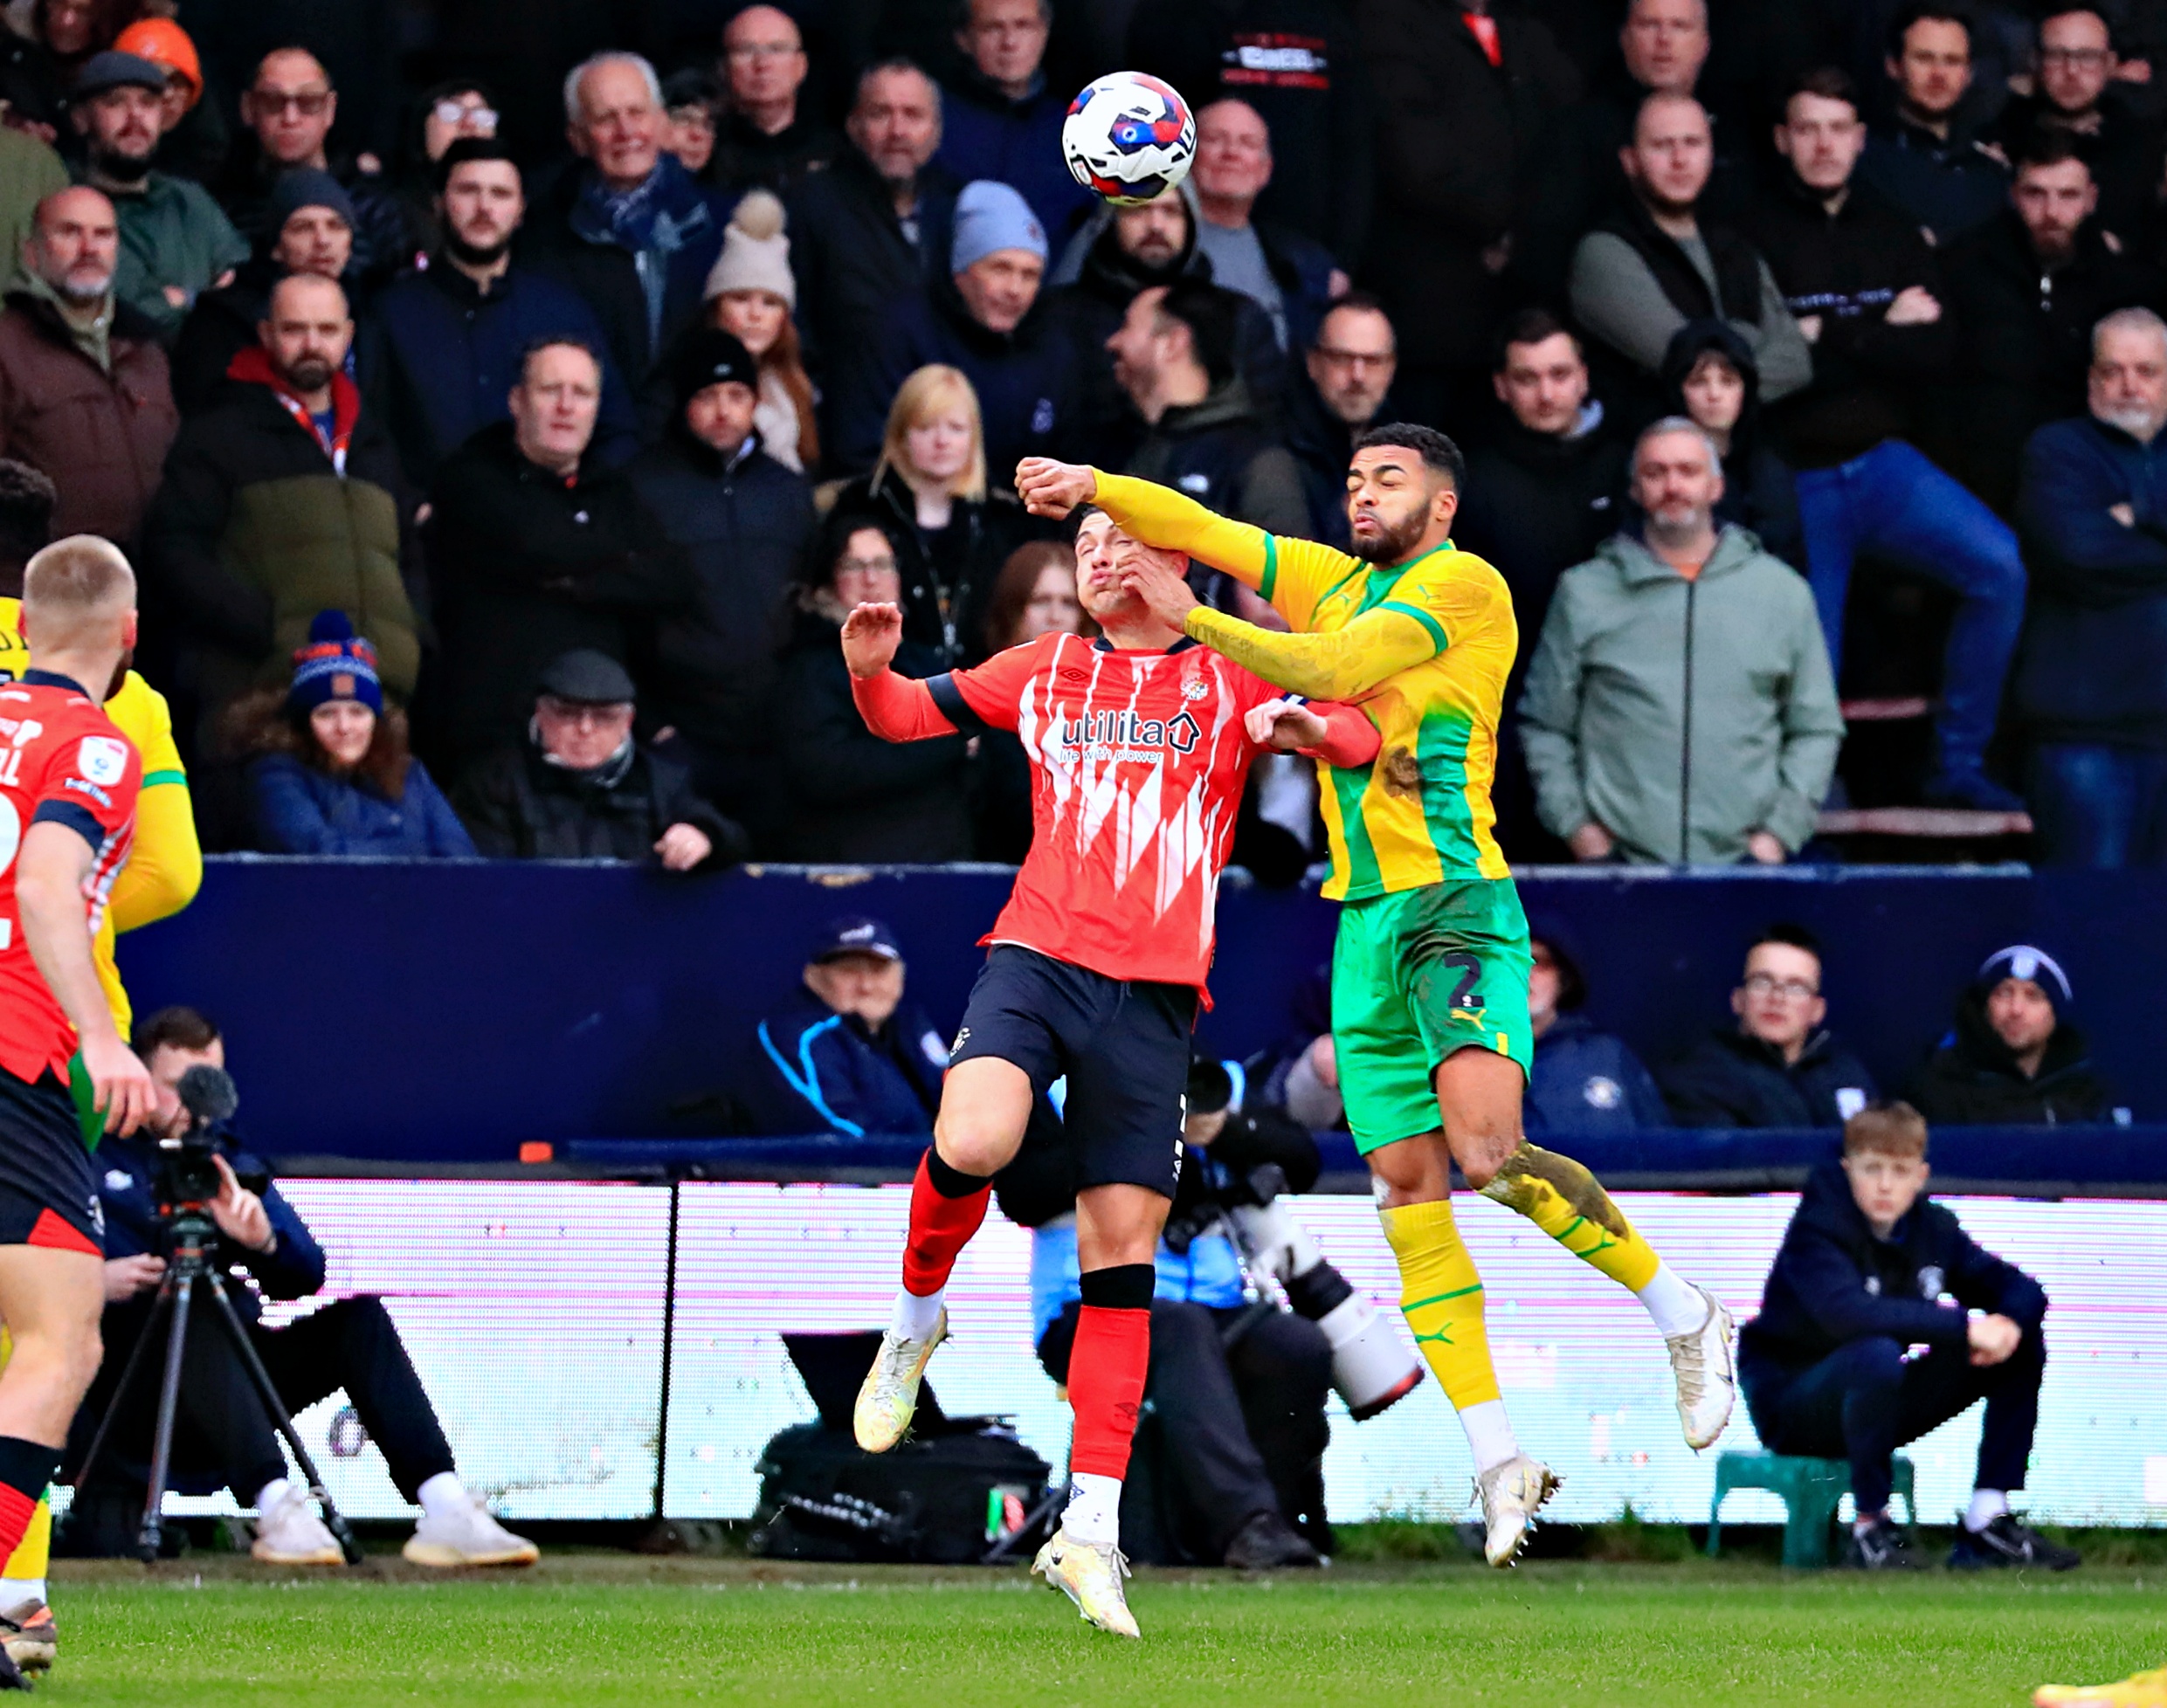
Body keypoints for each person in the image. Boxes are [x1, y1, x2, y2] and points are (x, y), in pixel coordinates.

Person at [1015, 431, 1736, 1574]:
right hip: (1362, 927)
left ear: (1443, 502)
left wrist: (1190, 615)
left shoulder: (1462, 582)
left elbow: (1340, 668)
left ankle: (1681, 1311)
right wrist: (1095, 486)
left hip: (1454, 903)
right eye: (1350, 478)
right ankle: (1500, 1457)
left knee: (1488, 1152)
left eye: (1386, 478)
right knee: (1405, 1190)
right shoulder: (1333, 577)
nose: (1360, 493)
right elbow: (1217, 549)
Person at [843, 504, 1380, 1636]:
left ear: (1174, 559)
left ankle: (1089, 1530)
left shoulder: (1229, 679)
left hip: (1153, 998)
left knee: (1119, 1258)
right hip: (1037, 958)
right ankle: (915, 1318)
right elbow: (899, 715)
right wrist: (867, 670)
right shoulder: (1043, 666)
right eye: (1080, 545)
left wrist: (1312, 729)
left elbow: (1359, 739)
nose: (1092, 560)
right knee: (975, 1139)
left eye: (1114, 543)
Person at [70, 1007, 538, 1569]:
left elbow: (305, 1273)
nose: (192, 1105)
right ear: (139, 1080)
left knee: (358, 1321)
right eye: (176, 1087)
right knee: (181, 1308)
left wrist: (261, 1239)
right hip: (127, 1390)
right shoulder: (87, 1153)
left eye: (208, 1086)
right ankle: (279, 1510)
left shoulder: (227, 1162)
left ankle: (446, 1506)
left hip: (234, 1377)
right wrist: (92, 1280)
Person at [1751, 65, 2030, 811]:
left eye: (1836, 128)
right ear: (1783, 138)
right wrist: (1877, 330)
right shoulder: (1750, 230)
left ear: (1859, 138)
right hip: (1798, 475)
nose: (1822, 144)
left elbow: (1938, 348)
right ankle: (1807, 795)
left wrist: (1827, 337)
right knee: (1815, 657)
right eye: (1805, 128)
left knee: (2000, 567)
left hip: (1882, 465)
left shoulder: (1888, 222)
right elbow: (1772, 363)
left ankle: (1958, 764)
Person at [0, 536, 158, 1690]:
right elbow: (49, 886)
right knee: (59, 1336)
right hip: (16, 1059)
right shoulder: (93, 747)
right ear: (128, 635)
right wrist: (102, 1034)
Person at [999, 1057, 1331, 1567]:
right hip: (1088, 1309)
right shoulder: (1051, 1089)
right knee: (1178, 1329)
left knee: (1295, 1346)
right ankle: (1244, 1522)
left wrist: (1220, 1130)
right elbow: (1024, 1193)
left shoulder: (1212, 1081)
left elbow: (1301, 1158)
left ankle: (1272, 1524)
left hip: (1216, 1306)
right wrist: (1137, 1135)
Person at [1738, 1102, 2079, 1572]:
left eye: (1898, 1171)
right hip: (1794, 1407)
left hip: (1875, 1403)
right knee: (1874, 1354)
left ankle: (1986, 1520)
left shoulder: (1933, 1229)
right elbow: (1848, 1314)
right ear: (1847, 1169)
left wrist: (2008, 1325)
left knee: (2018, 1344)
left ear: (1920, 1176)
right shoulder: (1817, 1228)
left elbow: (2020, 1289)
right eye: (1872, 1168)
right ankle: (1870, 1526)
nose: (1884, 1185)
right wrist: (1965, 1327)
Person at [1520, 418, 1844, 865]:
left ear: (1716, 486)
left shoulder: (1782, 594)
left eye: (1688, 471)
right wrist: (1581, 833)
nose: (1673, 485)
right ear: (1635, 489)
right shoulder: (1584, 593)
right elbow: (1545, 725)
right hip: (1619, 870)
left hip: (1746, 869)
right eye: (1656, 473)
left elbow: (1815, 728)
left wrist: (1774, 838)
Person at [144, 272, 419, 758]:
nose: (312, 344)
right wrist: (271, 629)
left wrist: (412, 637)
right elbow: (174, 551)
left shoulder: (373, 440)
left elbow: (409, 555)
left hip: (375, 701)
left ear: (349, 336)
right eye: (294, 330)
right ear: (267, 334)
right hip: (261, 700)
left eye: (327, 330)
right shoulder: (219, 432)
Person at [427, 337, 687, 780]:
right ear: (517, 401)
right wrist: (610, 564)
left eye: (582, 394)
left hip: (599, 740)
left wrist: (575, 582)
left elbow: (670, 579)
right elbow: (535, 545)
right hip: (493, 743)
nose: (566, 406)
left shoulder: (615, 491)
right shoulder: (470, 478)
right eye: (551, 390)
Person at [1351, 0, 1578, 428]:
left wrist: (1526, 232)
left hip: (1524, 294)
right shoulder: (1391, 24)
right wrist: (1501, 222)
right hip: (1433, 310)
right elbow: (1415, 157)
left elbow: (1567, 145)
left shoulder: (1530, 34)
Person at [628, 327, 817, 837]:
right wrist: (652, 724)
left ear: (756, 401)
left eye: (736, 395)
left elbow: (811, 609)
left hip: (771, 738)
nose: (722, 410)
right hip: (678, 738)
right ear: (683, 403)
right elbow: (619, 615)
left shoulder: (788, 492)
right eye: (707, 396)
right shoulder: (641, 488)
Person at [372, 140, 638, 492]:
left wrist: (573, 502)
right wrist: (410, 509)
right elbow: (370, 435)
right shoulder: (390, 313)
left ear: (520, 210)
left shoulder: (561, 310)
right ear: (438, 204)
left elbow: (616, 430)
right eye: (468, 191)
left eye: (500, 194)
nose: (484, 207)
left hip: (546, 527)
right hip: (432, 532)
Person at [2013, 307, 2167, 866]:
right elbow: (2080, 552)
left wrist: (2142, 512)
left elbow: (2113, 554)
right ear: (2091, 379)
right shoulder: (2058, 450)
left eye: (2147, 371)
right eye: (2113, 371)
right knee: (2088, 929)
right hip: (2085, 740)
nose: (2129, 386)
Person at [1941, 133, 2163, 513]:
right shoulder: (1961, 266)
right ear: (2013, 195)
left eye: (2068, 195)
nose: (2052, 212)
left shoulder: (2121, 281)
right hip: (1978, 473)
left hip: (2085, 474)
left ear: (2091, 199)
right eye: (2036, 194)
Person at [836, 178, 1095, 483]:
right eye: (1000, 268)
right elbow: (863, 452)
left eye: (1030, 275)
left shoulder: (1053, 349)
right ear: (960, 272)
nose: (1015, 289)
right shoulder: (899, 332)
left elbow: (1069, 465)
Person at [1569, 93, 1812, 416]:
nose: (1680, 159)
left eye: (1693, 143)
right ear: (1630, 161)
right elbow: (1687, 369)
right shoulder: (1604, 252)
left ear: (1711, 154)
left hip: (1749, 452)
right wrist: (1748, 337)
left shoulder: (1736, 246)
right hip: (1658, 455)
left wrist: (1720, 360)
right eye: (1662, 145)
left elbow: (1798, 364)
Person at [775, 510, 970, 861]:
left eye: (883, 564)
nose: (871, 578)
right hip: (847, 863)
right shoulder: (811, 668)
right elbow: (828, 770)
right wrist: (950, 745)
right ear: (827, 580)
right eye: (853, 566)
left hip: (939, 859)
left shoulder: (925, 662)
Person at [523, 52, 725, 387]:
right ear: (577, 138)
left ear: (661, 122)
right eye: (606, 118)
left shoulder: (719, 223)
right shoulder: (545, 243)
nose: (626, 131)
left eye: (637, 113)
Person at [1124, 0, 1375, 266]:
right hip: (1194, 243)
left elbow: (1353, 148)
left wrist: (1343, 258)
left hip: (1305, 252)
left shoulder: (1328, 18)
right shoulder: (1172, 15)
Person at [0, 185, 177, 548]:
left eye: (103, 234)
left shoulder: (148, 349)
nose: (89, 248)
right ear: (31, 253)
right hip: (38, 590)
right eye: (69, 232)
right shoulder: (6, 348)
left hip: (148, 587)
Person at [452, 649, 742, 870]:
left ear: (627, 723)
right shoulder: (494, 783)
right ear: (540, 715)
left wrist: (705, 835)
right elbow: (484, 879)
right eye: (568, 713)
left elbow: (734, 839)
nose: (585, 729)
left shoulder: (661, 780)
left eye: (604, 717)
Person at [224, 610, 472, 858]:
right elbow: (322, 857)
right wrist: (416, 853)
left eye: (358, 712)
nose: (344, 727)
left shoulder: (409, 773)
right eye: (326, 714)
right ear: (303, 721)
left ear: (376, 720)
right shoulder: (277, 773)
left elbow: (462, 861)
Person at [830, 363, 1030, 668]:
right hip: (886, 681)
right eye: (925, 427)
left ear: (973, 438)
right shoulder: (860, 508)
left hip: (981, 691)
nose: (942, 441)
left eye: (956, 428)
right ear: (900, 434)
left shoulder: (1002, 518)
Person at [784, 60, 956, 405]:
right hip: (848, 417)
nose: (897, 131)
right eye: (881, 114)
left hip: (946, 417)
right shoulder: (811, 206)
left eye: (913, 115)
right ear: (853, 125)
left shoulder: (961, 207)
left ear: (936, 130)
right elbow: (793, 324)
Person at [1111, 280, 1311, 557]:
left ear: (1173, 343)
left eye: (1128, 327)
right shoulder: (1127, 444)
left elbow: (1289, 578)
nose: (1113, 342)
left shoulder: (1256, 462)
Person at [66, 50, 246, 343]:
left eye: (148, 103)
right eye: (115, 102)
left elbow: (247, 293)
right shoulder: (66, 203)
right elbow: (133, 318)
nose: (135, 117)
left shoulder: (189, 199)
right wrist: (208, 297)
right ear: (81, 118)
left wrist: (182, 299)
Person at [167, 167, 366, 419]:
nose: (323, 240)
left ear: (350, 243)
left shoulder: (368, 312)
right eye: (303, 228)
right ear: (276, 247)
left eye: (336, 226)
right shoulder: (222, 320)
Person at [213, 47, 412, 286]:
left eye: (308, 102)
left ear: (330, 109)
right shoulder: (220, 207)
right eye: (273, 102)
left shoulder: (375, 210)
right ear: (248, 108)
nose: (290, 117)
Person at [737, 917, 952, 1138]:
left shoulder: (909, 1024)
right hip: (870, 1169)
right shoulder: (798, 1036)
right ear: (813, 977)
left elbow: (958, 1102)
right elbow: (840, 1138)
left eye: (878, 969)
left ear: (900, 975)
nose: (866, 986)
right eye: (849, 971)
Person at [1659, 924, 1878, 1127]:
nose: (1777, 998)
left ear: (1817, 1010)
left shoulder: (1845, 1072)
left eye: (1796, 987)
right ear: (1738, 1000)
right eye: (1762, 982)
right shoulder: (1700, 1075)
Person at [1177, 99, 1341, 359]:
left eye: (1248, 143)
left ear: (1265, 170)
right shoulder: (1155, 245)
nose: (1231, 153)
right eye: (1215, 139)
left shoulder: (1304, 263)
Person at [1987, 6, 2163, 244]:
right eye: (2057, 56)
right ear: (2035, 61)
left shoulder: (2143, 141)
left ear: (2110, 64)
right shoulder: (1999, 133)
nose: (2071, 71)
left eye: (2087, 57)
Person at [935, 0, 1094, 245]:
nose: (1009, 42)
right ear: (963, 39)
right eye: (992, 28)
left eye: (1024, 26)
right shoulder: (932, 123)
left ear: (1044, 32)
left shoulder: (1076, 130)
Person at [1856, 1, 2012, 246]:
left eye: (1952, 61)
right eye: (1924, 58)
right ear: (1893, 66)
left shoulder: (1990, 173)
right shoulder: (1859, 160)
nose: (1938, 74)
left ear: (1968, 74)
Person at [1912, 945, 2114, 1125]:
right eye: (2004, 993)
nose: (2016, 1010)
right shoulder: (1941, 1084)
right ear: (1985, 1007)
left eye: (2033, 996)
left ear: (2055, 1013)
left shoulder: (2084, 1091)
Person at [1661, 321, 1804, 569]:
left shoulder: (1769, 457)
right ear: (1678, 390)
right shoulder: (1656, 463)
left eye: (1728, 381)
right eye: (1698, 382)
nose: (1714, 394)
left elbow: (1788, 550)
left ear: (1745, 389)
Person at [702, 189, 818, 473]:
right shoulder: (687, 385)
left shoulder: (794, 386)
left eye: (770, 302)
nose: (755, 314)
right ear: (717, 306)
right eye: (740, 298)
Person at [1524, 919, 1668, 1135]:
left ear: (1563, 980)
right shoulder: (1470, 1057)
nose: (1525, 973)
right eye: (1511, 962)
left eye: (1539, 962)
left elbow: (1662, 1148)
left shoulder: (1607, 1054)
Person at [1287, 293, 1398, 550]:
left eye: (1372, 361)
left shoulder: (1411, 450)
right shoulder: (1275, 452)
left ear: (1391, 367)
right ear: (1313, 363)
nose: (1357, 376)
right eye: (1341, 358)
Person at [708, 4, 838, 196]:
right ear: (724, 68)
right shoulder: (705, 151)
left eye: (777, 49)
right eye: (746, 50)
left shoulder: (836, 155)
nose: (762, 64)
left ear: (801, 66)